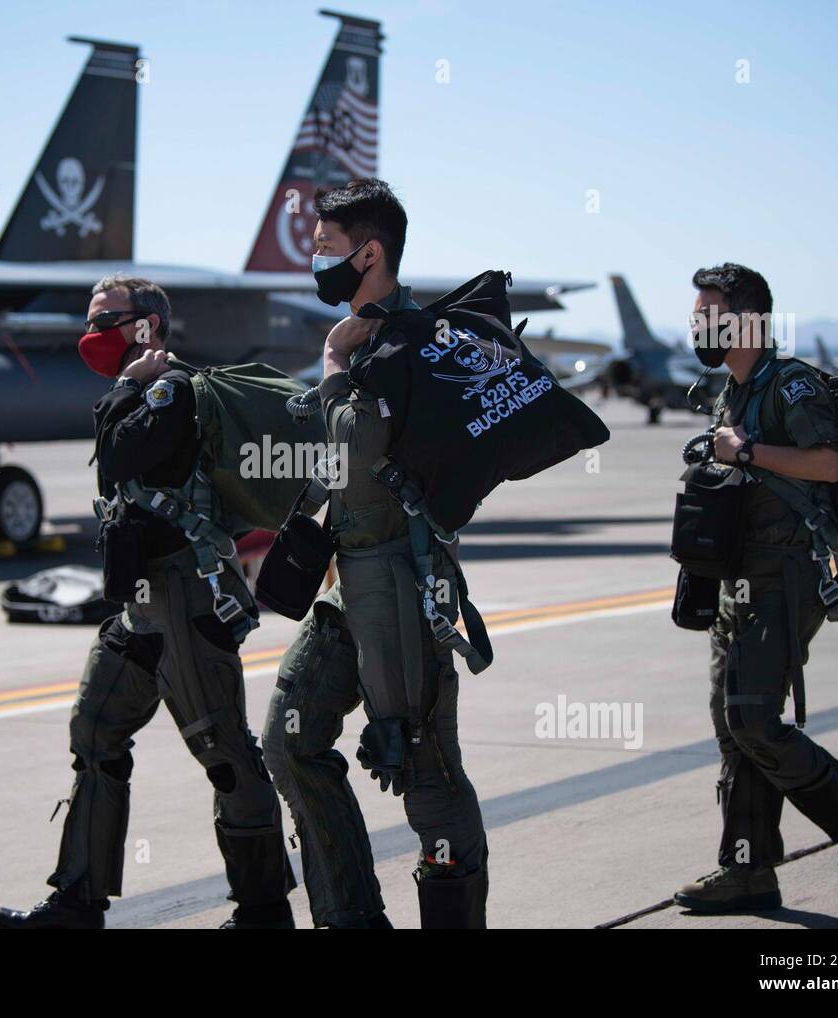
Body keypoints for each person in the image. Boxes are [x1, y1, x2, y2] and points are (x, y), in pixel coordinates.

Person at [0, 275, 296, 929]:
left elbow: (119, 455)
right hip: (142, 608)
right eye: (91, 317)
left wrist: (130, 389)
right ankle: (77, 901)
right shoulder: (142, 390)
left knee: (224, 755)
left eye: (106, 318)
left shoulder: (172, 389)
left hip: (186, 600)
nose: (91, 330)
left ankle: (265, 911)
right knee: (95, 733)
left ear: (146, 325)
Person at [262, 179, 489, 929]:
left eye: (325, 248)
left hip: (398, 579)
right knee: (290, 737)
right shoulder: (369, 339)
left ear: (370, 253)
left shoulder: (404, 341)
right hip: (346, 579)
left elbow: (356, 457)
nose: (316, 262)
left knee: (422, 764)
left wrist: (330, 364)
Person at [675, 262, 838, 912]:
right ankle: (748, 869)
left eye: (706, 312)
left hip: (788, 570)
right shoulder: (733, 392)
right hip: (738, 576)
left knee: (753, 717)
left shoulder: (791, 385)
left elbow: (826, 463)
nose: (696, 325)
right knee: (731, 720)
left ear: (745, 318)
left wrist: (743, 452)